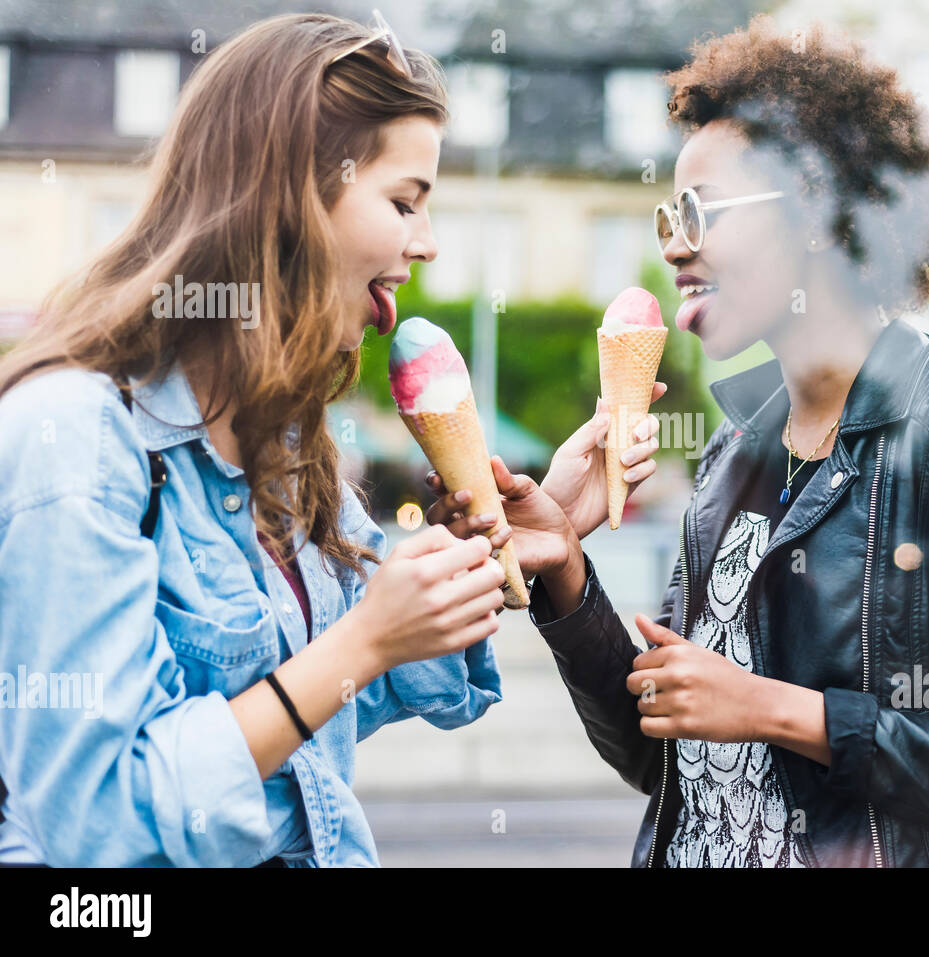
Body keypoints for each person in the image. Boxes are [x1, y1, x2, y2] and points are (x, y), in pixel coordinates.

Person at [0, 12, 663, 867]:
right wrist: (364, 639)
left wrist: (500, 550)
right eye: (402, 203)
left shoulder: (285, 451)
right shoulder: (78, 442)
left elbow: (365, 687)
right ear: (288, 200)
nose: (423, 244)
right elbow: (96, 819)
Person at [483, 16, 929, 867]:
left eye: (699, 210)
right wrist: (564, 569)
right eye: (669, 213)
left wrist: (784, 711)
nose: (672, 243)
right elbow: (667, 753)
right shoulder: (735, 452)